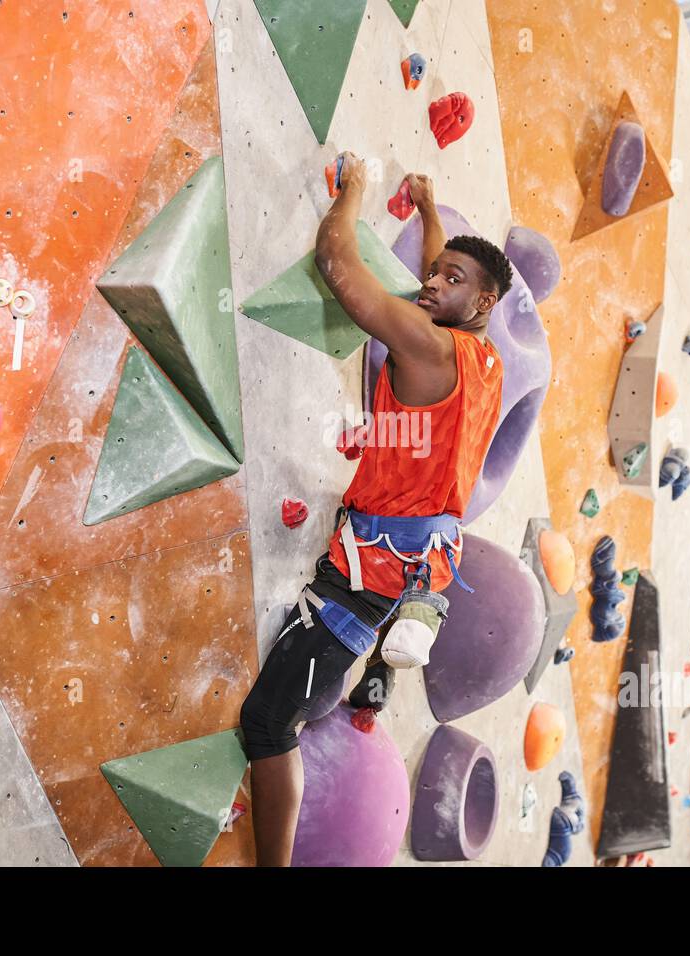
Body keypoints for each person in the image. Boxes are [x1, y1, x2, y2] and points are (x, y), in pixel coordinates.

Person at [239, 152, 512, 866]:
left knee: (268, 721)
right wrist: (429, 217)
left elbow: (344, 272)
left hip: (369, 580)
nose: (432, 281)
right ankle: (374, 676)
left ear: (480, 304)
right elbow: (439, 295)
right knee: (342, 657)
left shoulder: (427, 344)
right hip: (421, 559)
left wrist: (353, 193)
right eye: (435, 269)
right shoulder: (483, 358)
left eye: (452, 279)